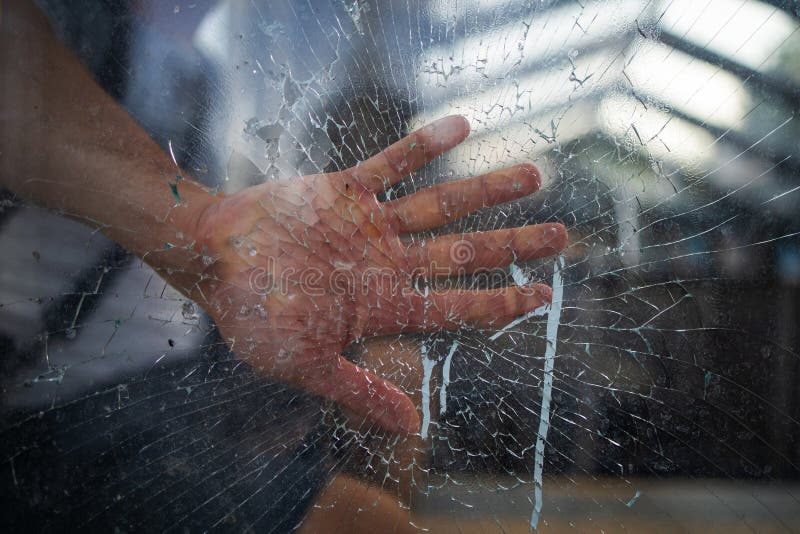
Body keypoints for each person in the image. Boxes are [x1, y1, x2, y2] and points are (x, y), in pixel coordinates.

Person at [1, 0, 567, 530]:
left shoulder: (201, 74)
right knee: (363, 521)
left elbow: (209, 274)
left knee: (391, 409)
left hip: (178, 374)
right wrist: (200, 230)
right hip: (55, 400)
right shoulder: (72, 21)